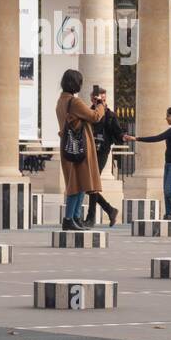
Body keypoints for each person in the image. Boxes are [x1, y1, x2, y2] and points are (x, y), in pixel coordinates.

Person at [124, 106, 171, 225]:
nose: (166, 118)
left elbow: (157, 138)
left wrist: (136, 138)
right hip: (170, 164)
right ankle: (168, 215)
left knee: (169, 190)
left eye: (168, 116)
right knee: (166, 191)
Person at [56, 69, 106, 230]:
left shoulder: (61, 101)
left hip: (68, 146)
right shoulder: (75, 102)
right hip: (80, 148)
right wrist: (100, 106)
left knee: (79, 183)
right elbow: (94, 117)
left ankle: (75, 218)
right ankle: (70, 218)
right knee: (76, 184)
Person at [83, 85, 122, 227]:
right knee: (87, 185)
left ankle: (91, 217)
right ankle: (110, 210)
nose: (99, 102)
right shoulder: (88, 112)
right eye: (96, 99)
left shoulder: (110, 115)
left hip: (101, 153)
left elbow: (118, 133)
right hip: (87, 151)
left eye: (102, 99)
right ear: (92, 99)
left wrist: (124, 136)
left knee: (92, 185)